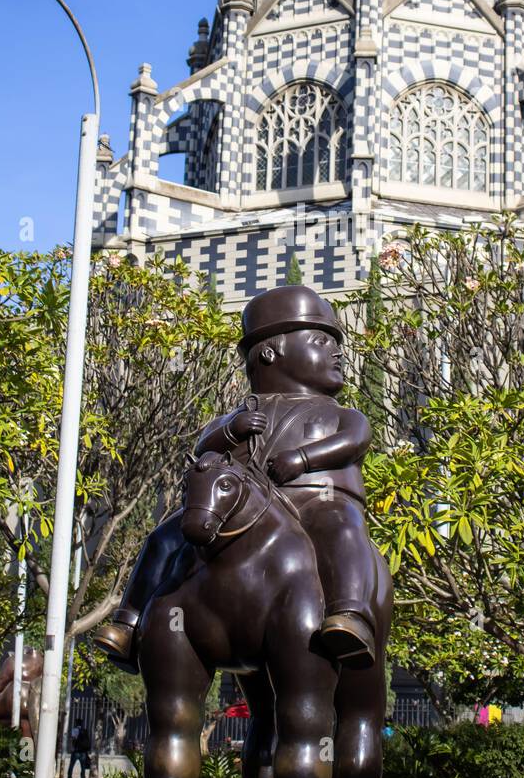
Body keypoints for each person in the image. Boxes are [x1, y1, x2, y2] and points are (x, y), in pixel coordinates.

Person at [95, 285, 378, 670]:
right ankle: (128, 623)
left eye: (334, 342)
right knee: (163, 537)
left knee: (344, 529)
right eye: (319, 340)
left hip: (318, 499)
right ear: (269, 353)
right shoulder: (238, 414)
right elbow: (203, 450)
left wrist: (303, 457)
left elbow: (354, 439)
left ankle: (350, 614)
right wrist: (231, 432)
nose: (336, 351)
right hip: (246, 511)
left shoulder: (340, 413)